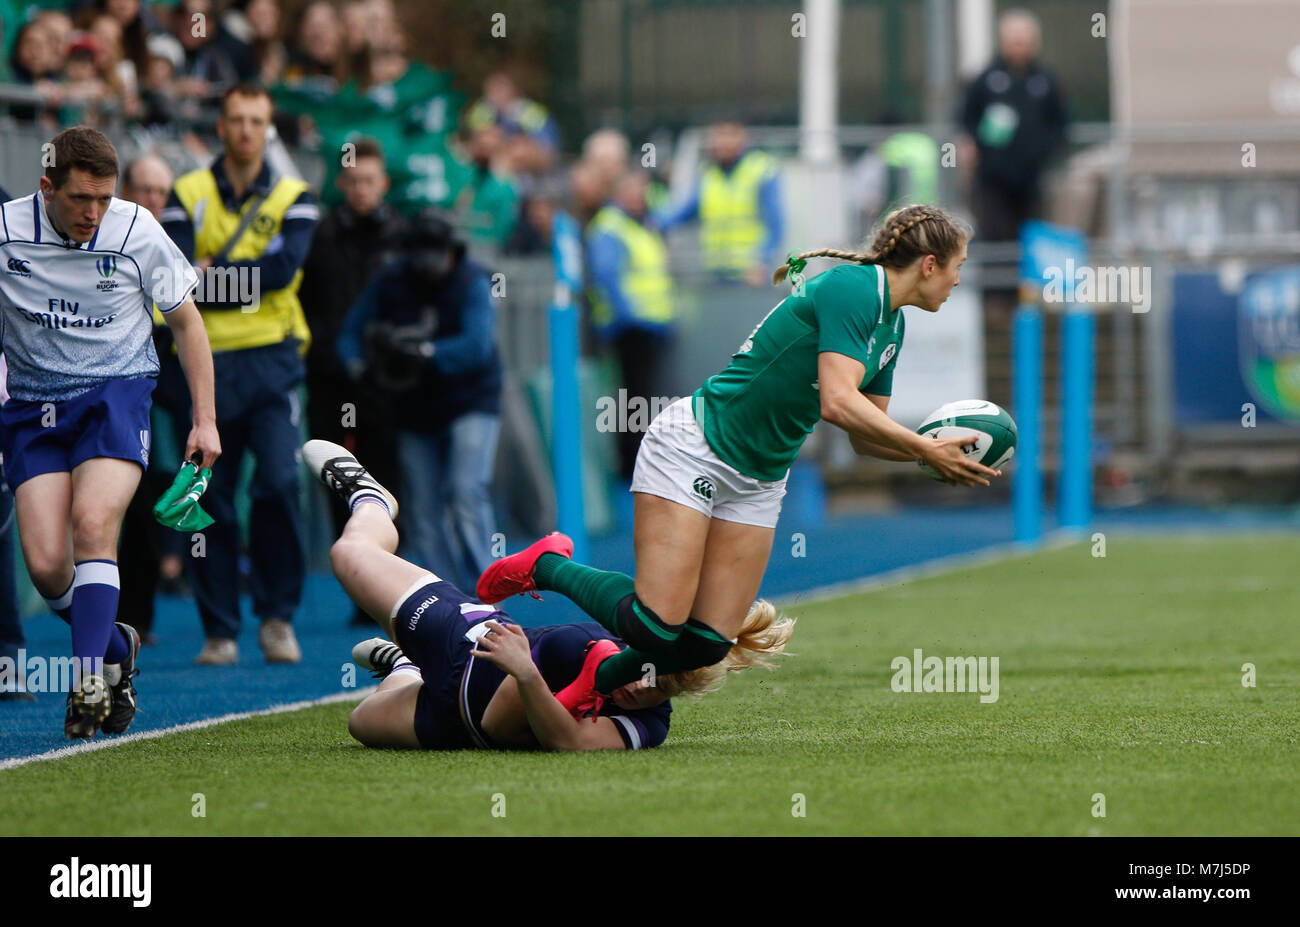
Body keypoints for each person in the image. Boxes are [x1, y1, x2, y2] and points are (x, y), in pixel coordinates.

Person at [479, 204, 1000, 715]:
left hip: (759, 479)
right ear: (930, 264)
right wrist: (924, 446)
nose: (958, 280)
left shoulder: (892, 325)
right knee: (653, 626)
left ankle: (598, 677)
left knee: (706, 645)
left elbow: (864, 436)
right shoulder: (854, 288)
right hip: (697, 447)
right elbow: (837, 402)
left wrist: (931, 458)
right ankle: (546, 563)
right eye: (958, 266)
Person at [302, 439, 792, 750]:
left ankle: (403, 665)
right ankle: (371, 499)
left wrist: (527, 674)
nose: (643, 686)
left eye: (660, 689)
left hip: (455, 722)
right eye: (651, 671)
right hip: (466, 640)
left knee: (360, 724)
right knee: (348, 555)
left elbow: (567, 741)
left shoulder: (650, 727)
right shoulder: (614, 634)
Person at [0, 127, 220, 737]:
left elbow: (187, 324)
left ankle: (87, 681)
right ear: (47, 188)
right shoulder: (7, 231)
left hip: (114, 396)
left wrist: (204, 419)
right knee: (46, 569)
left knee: (93, 525)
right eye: (79, 200)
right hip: (32, 408)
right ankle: (116, 649)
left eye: (104, 198)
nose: (93, 213)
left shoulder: (136, 230)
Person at [162, 82, 318, 666]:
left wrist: (210, 274)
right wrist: (223, 276)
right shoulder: (188, 191)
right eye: (236, 119)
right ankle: (220, 629)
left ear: (267, 129)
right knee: (208, 501)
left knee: (279, 483)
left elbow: (281, 272)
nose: (247, 130)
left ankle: (277, 618)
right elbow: (172, 277)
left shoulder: (295, 194)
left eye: (257, 120)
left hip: (274, 362)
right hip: (204, 369)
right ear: (221, 127)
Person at [337, 209, 500, 595]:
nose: (428, 264)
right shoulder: (393, 279)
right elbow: (351, 331)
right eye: (420, 254)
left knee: (465, 492)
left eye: (435, 254)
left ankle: (491, 591)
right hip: (414, 406)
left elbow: (478, 346)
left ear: (451, 251)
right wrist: (360, 367)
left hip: (470, 399)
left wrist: (425, 351)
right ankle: (449, 598)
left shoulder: (471, 281)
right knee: (423, 507)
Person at [298, 136, 406, 624]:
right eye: (353, 180)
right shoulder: (320, 236)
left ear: (383, 184)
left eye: (370, 181)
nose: (361, 189)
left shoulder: (401, 237)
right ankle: (358, 581)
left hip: (383, 384)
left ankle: (384, 585)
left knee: (384, 479)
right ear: (342, 184)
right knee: (334, 477)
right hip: (327, 377)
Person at [585, 170, 678, 479]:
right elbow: (607, 277)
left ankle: (642, 462)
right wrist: (630, 317)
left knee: (643, 397)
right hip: (630, 328)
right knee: (633, 401)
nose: (641, 197)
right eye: (635, 190)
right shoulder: (612, 227)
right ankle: (633, 467)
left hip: (650, 325)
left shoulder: (641, 223)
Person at [957, 9, 1068, 243]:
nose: (1019, 48)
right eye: (1014, 41)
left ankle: (1028, 281)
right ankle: (997, 281)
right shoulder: (987, 78)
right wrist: (970, 145)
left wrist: (1046, 152)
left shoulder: (1046, 80)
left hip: (1033, 177)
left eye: (1024, 42)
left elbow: (1061, 123)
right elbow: (966, 117)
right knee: (996, 234)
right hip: (992, 178)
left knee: (1032, 237)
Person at [655, 121, 783, 286]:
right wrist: (653, 221)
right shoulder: (709, 174)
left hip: (750, 273)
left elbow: (776, 223)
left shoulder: (761, 169)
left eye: (728, 135)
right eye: (717, 136)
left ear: (742, 137)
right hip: (718, 271)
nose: (722, 142)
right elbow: (683, 212)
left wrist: (762, 261)